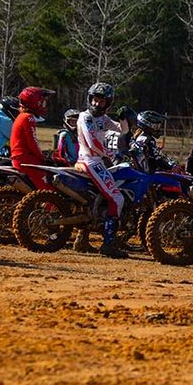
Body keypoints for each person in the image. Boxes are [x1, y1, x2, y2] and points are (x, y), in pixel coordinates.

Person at [76, 82, 131, 258]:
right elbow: (92, 143)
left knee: (100, 196)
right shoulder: (85, 118)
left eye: (101, 101)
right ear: (89, 99)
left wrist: (123, 118)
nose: (96, 104)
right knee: (116, 197)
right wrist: (109, 154)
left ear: (108, 103)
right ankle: (108, 243)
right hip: (89, 160)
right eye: (94, 100)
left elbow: (123, 131)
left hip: (96, 160)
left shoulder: (103, 119)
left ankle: (82, 238)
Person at [10, 86, 56, 192]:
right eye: (42, 102)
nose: (44, 105)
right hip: (25, 159)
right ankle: (51, 207)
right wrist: (42, 158)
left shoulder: (21, 116)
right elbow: (32, 142)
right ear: (35, 102)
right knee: (47, 188)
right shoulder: (28, 118)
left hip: (19, 158)